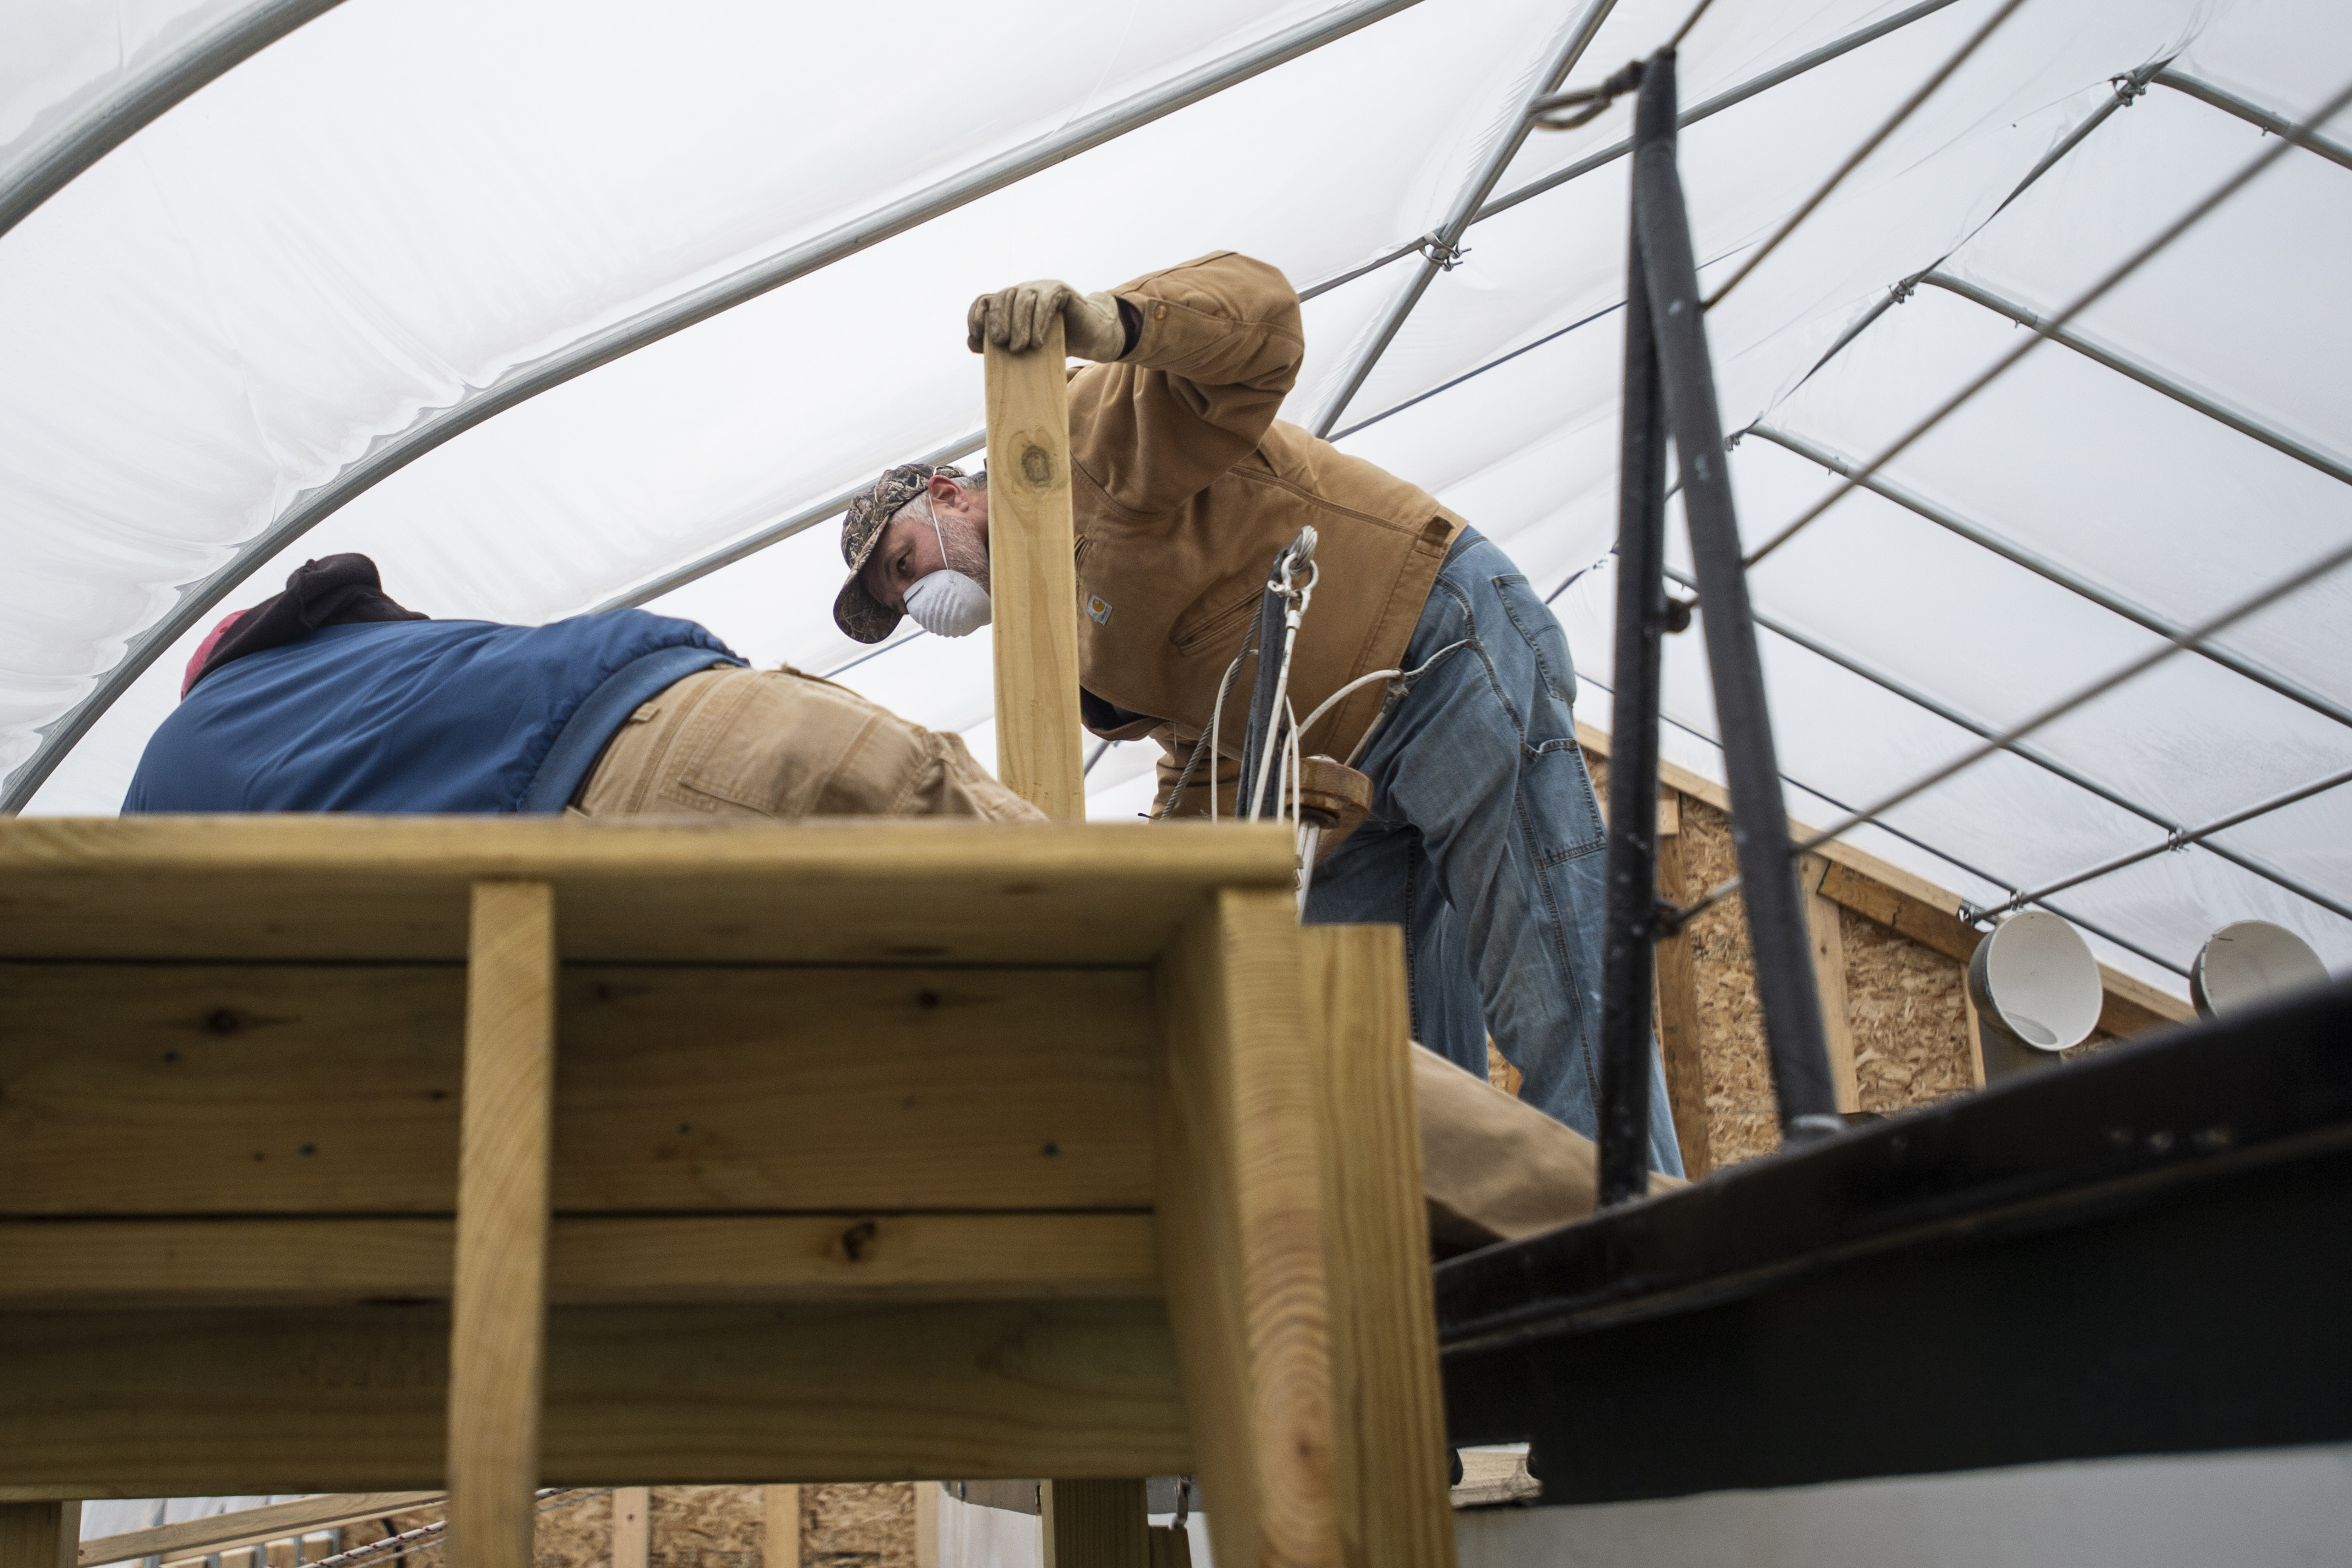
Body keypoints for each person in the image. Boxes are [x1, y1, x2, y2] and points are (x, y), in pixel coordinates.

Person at [832, 250, 1681, 1173]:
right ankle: (1451, 1284)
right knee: (1372, 1064)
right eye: (897, 595)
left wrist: (1115, 324)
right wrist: (1143, 912)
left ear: (948, 493)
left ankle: (1637, 1242)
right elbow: (1208, 745)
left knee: (1554, 974)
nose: (918, 599)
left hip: (1435, 653)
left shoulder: (1073, 435)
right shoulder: (1069, 643)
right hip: (1335, 787)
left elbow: (1262, 328)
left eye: (905, 563)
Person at [124, 553, 1034, 822]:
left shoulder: (184, 759)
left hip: (625, 806)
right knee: (1103, 932)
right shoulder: (384, 655)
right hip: (733, 700)